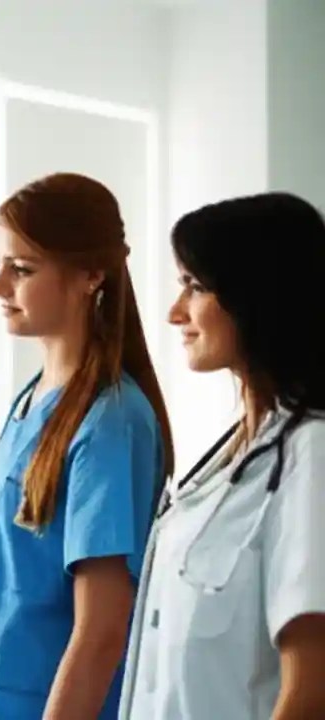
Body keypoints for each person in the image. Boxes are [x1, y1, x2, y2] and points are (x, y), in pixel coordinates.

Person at [0, 172, 174, 720]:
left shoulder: (110, 421)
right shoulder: (30, 402)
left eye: (22, 270)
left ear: (91, 275)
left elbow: (101, 633)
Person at [119, 192, 325, 719]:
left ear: (257, 295)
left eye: (195, 286)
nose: (174, 312)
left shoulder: (311, 453)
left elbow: (311, 685)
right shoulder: (231, 457)